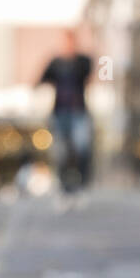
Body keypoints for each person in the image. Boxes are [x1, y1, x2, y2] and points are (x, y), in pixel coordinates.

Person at [38, 30, 93, 193]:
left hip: (79, 113)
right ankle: (63, 188)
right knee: (60, 152)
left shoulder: (83, 61)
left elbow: (92, 73)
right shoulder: (55, 63)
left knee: (82, 148)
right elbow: (40, 80)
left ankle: (82, 186)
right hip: (59, 113)